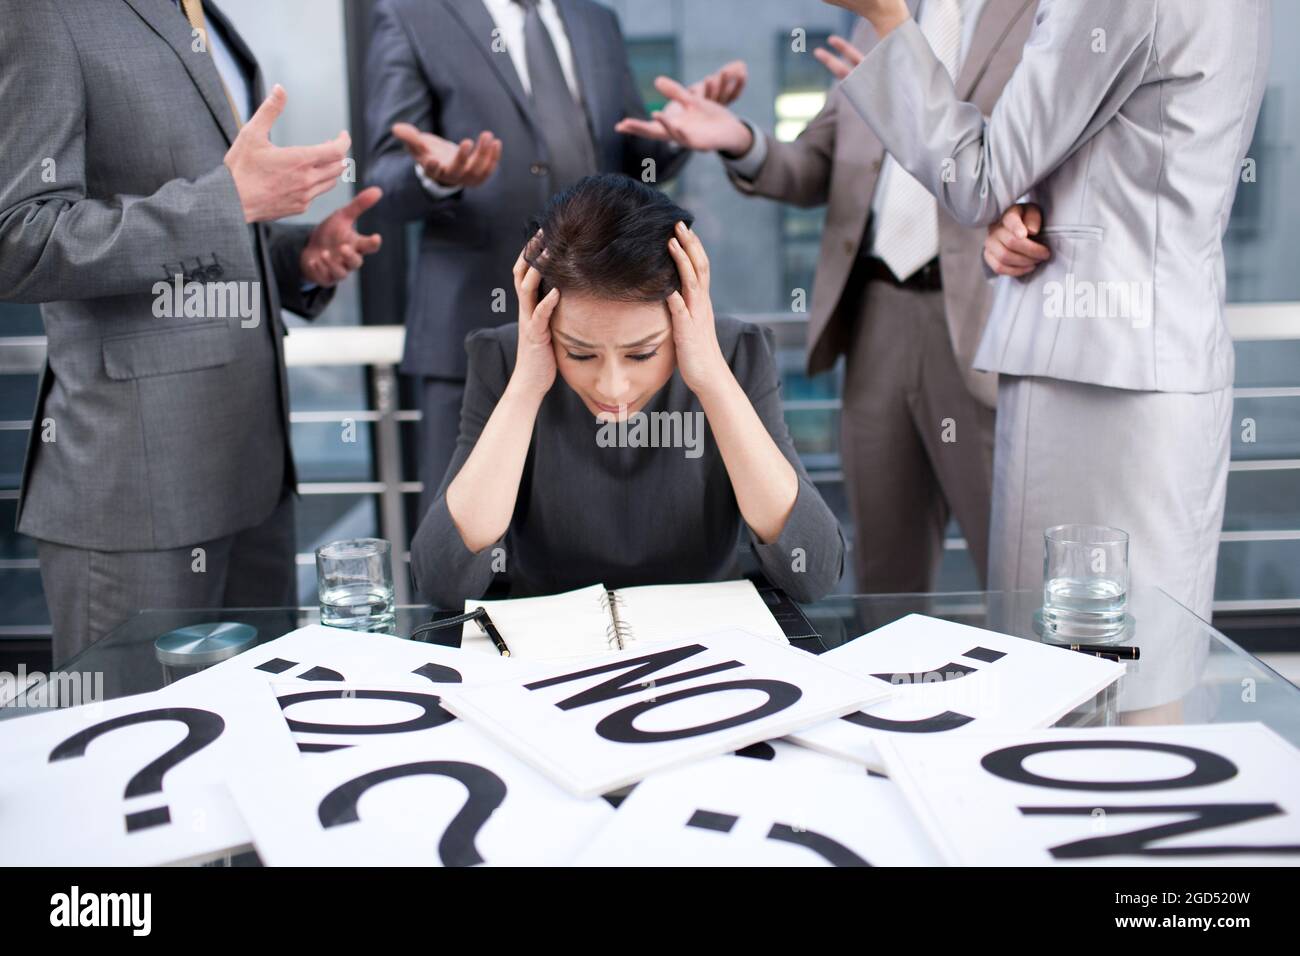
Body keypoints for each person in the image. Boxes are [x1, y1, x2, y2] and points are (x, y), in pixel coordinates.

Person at [818, 0, 1270, 621]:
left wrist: (890, 23)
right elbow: (1132, 157)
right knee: (1145, 658)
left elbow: (977, 177)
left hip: (1090, 377)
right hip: (1163, 358)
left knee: (1067, 663)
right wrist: (1029, 211)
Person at [0, 0, 380, 665]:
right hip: (136, 491)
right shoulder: (44, 12)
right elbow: (19, 239)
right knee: (129, 750)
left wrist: (297, 258)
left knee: (256, 744)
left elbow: (214, 222)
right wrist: (225, 203)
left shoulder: (210, 19)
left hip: (253, 476)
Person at [616, 0, 1039, 593]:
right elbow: (813, 165)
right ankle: (893, 682)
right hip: (873, 316)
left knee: (1014, 565)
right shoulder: (876, 19)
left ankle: (1037, 683)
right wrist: (738, 139)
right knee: (884, 564)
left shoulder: (1042, 15)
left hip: (983, 313)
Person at [364, 0, 747, 522]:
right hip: (472, 325)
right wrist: (439, 175)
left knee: (595, 528)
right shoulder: (412, 14)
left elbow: (630, 160)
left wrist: (676, 137)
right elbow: (384, 180)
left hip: (603, 338)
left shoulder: (595, 19)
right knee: (462, 533)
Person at [410, 175, 845, 607]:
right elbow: (442, 583)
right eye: (579, 354)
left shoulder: (734, 354)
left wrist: (712, 376)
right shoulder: (506, 359)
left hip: (706, 639)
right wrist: (525, 387)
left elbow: (815, 573)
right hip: (550, 646)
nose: (612, 387)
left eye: (641, 354)